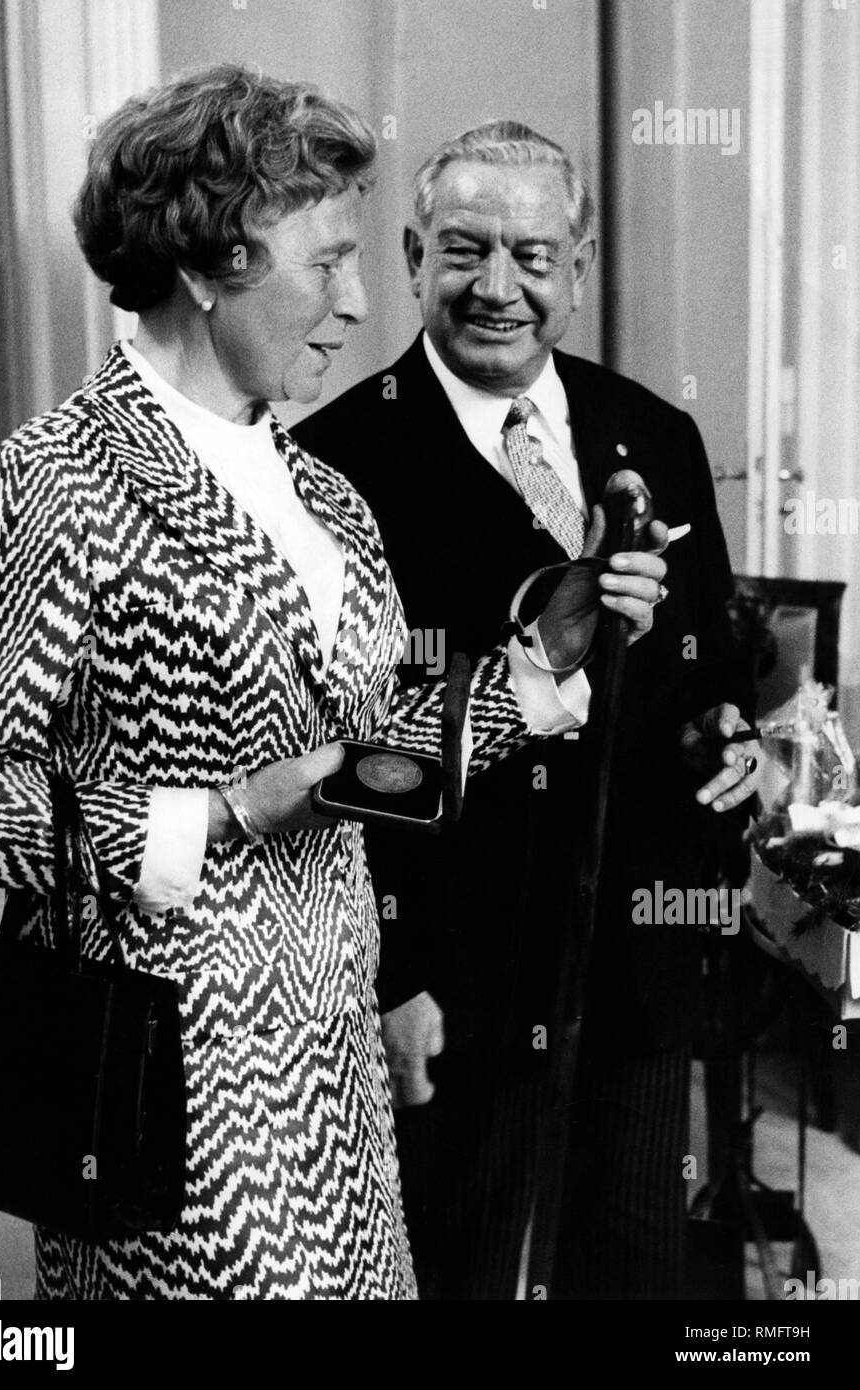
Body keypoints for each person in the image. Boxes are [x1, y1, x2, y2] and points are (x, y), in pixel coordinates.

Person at [0, 81, 666, 1300]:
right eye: (325, 265)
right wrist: (212, 814)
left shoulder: (324, 497)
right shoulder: (54, 478)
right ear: (213, 261)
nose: (362, 303)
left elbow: (373, 767)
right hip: (169, 1081)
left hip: (341, 1076)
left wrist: (543, 664)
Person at [294, 121, 758, 1300]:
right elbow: (344, 763)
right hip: (458, 978)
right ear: (409, 254)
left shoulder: (658, 431)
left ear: (581, 264)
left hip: (640, 965)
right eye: (464, 250)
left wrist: (730, 742)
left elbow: (708, 665)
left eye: (533, 257)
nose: (497, 288)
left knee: (636, 1266)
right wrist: (391, 979)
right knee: (465, 1268)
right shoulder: (332, 470)